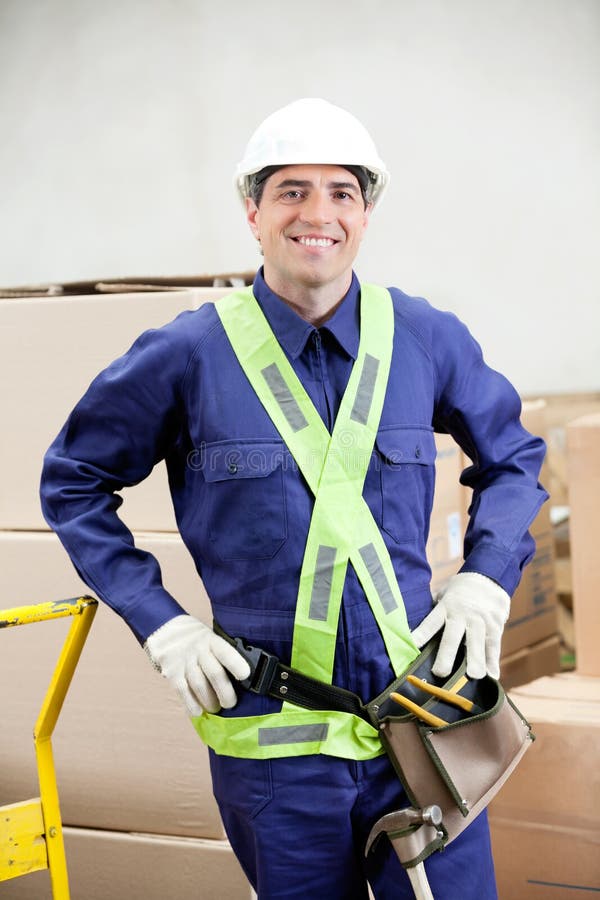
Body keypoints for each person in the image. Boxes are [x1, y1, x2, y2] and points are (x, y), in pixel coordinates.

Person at [40, 98, 547, 899]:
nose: (319, 214)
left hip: (420, 730)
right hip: (277, 761)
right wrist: (161, 623)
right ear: (253, 211)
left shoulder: (423, 337)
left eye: (342, 192)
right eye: (292, 191)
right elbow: (73, 480)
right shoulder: (188, 355)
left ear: (367, 212)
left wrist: (487, 576)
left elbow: (515, 458)